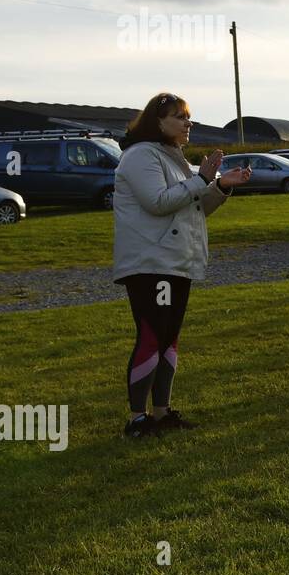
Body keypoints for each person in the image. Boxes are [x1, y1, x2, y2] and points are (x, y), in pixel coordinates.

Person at [112, 92, 251, 438]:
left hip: (176, 262)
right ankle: (137, 419)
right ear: (158, 122)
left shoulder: (174, 158)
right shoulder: (140, 156)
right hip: (151, 264)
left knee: (168, 338)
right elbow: (158, 203)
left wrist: (220, 186)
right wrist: (203, 180)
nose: (188, 123)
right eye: (179, 117)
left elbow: (195, 207)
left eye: (188, 117)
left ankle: (161, 413)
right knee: (152, 335)